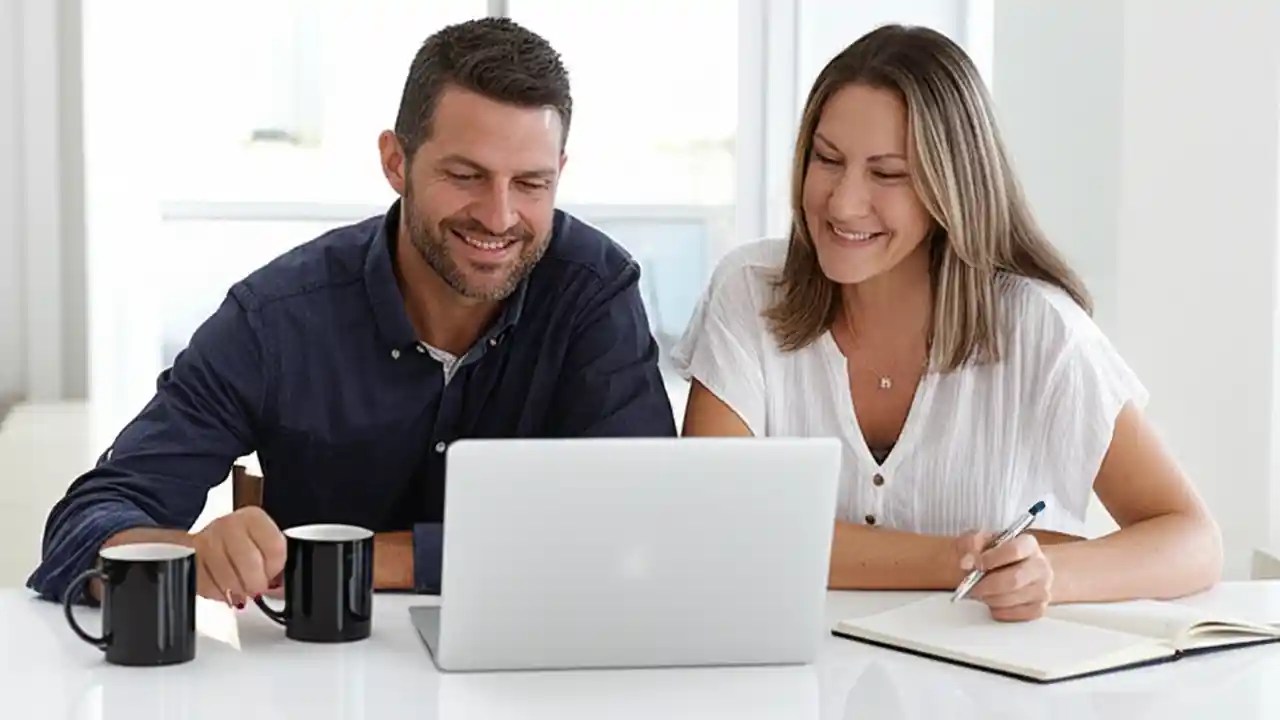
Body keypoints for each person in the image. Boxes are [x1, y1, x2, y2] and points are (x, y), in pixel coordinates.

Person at [30, 17, 676, 606]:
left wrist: (374, 558)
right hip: (320, 679)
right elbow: (86, 524)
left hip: (531, 677)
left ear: (559, 172)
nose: (500, 216)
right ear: (396, 161)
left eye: (531, 183)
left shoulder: (593, 290)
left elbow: (645, 528)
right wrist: (186, 555)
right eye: (466, 175)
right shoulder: (277, 316)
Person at [673, 24, 1221, 622]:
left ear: (951, 186)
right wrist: (963, 558)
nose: (842, 202)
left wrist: (1051, 573)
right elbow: (715, 523)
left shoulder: (1040, 331)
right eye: (827, 160)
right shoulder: (750, 293)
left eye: (887, 174)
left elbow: (1192, 539)